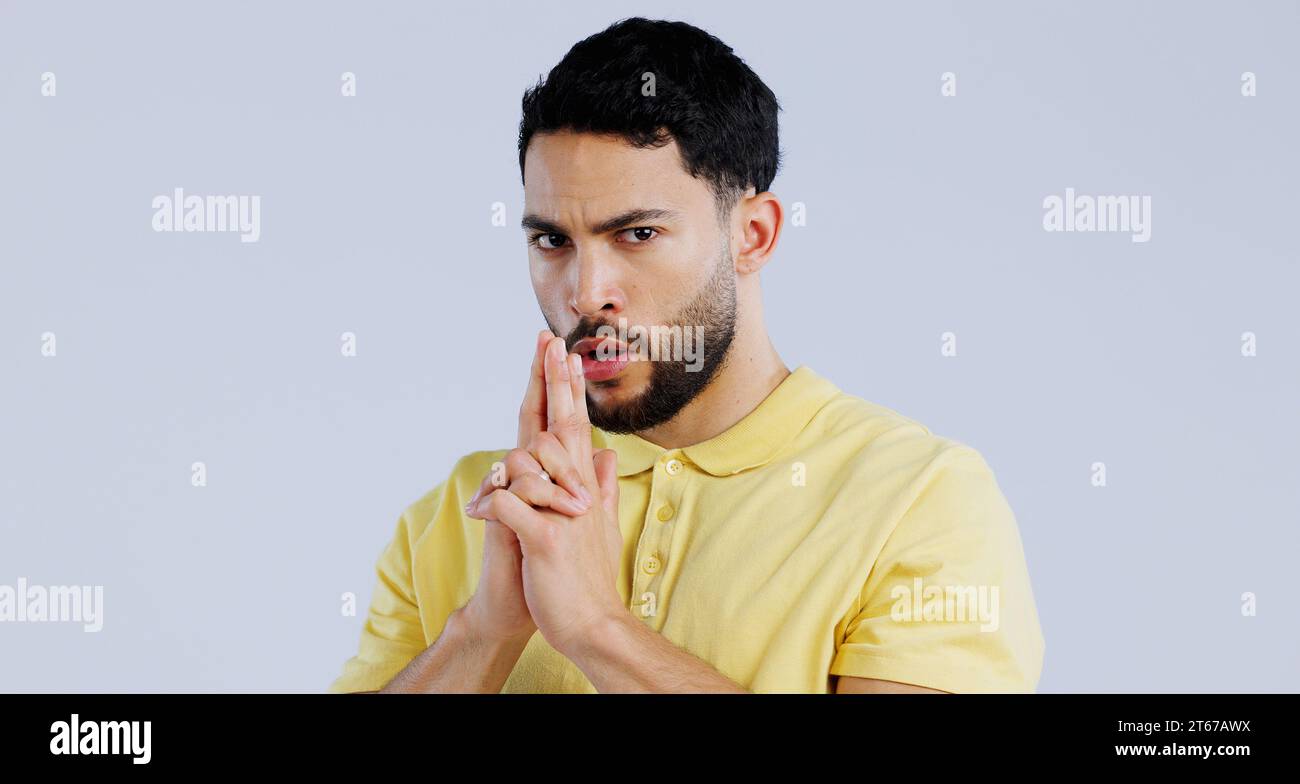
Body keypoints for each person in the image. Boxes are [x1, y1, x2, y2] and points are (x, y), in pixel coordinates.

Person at [329, 17, 1044, 694]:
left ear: (753, 236)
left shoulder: (920, 499)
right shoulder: (468, 509)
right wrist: (483, 632)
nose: (586, 293)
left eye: (636, 234)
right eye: (553, 241)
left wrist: (596, 628)